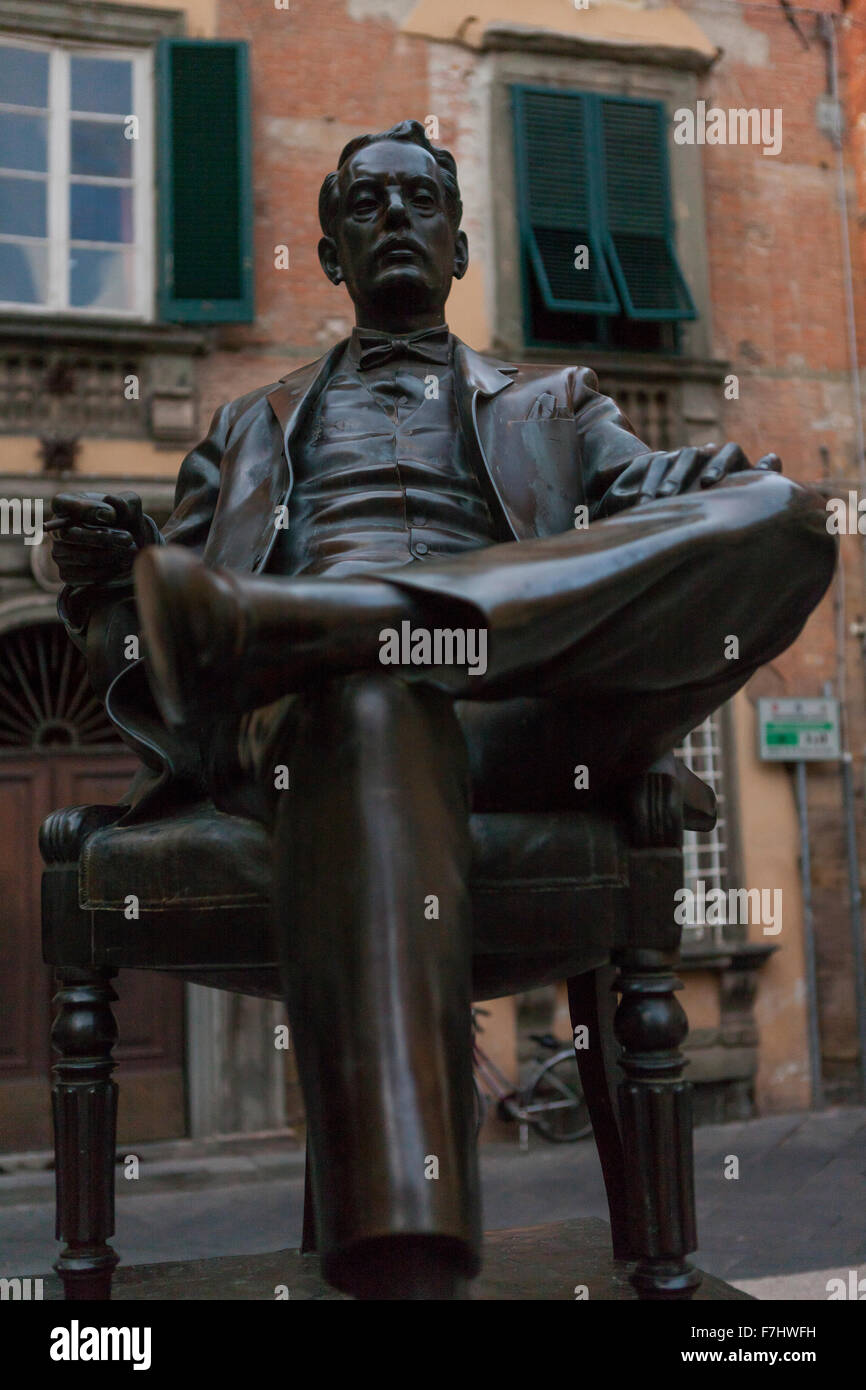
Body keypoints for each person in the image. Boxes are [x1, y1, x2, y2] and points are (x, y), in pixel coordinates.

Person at [51, 120, 836, 1299]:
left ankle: (328, 621)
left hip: (519, 719)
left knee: (784, 517)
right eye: (366, 205)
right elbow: (160, 640)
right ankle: (407, 1260)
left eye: (420, 200)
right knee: (371, 698)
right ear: (327, 254)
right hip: (316, 730)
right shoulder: (242, 427)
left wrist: (746, 484)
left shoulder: (558, 401)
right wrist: (104, 579)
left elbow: (689, 513)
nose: (396, 220)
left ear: (463, 244)